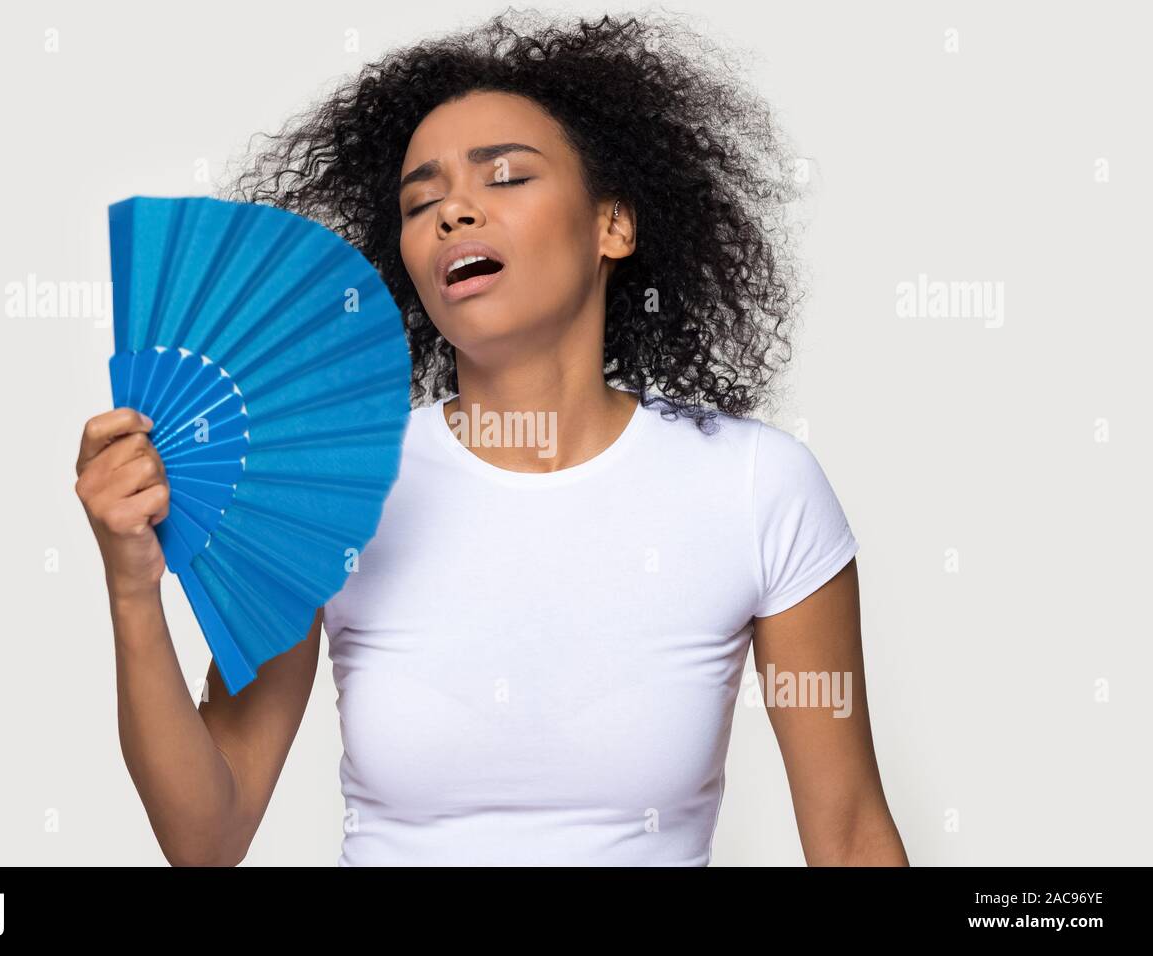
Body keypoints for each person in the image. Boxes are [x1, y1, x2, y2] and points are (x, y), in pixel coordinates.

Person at [74, 10, 907, 866]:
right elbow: (205, 836)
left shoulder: (756, 485)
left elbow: (847, 837)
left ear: (613, 225)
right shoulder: (326, 486)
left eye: (504, 176)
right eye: (420, 202)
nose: (454, 212)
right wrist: (133, 589)